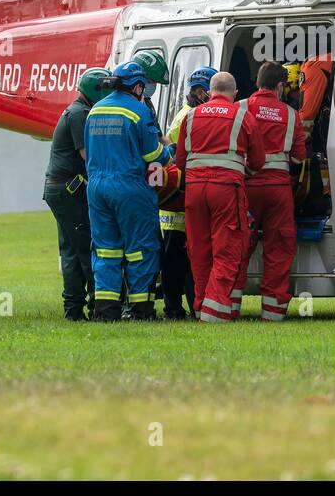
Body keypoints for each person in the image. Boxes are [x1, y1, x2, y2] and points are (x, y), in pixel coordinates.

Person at [83, 61, 174, 321]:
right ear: (136, 86)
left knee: (105, 249)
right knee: (141, 248)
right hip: (129, 186)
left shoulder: (95, 110)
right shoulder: (138, 110)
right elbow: (152, 153)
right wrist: (170, 152)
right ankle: (140, 309)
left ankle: (105, 310)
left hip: (97, 187)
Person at [173, 71, 264, 323]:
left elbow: (180, 160)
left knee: (199, 250)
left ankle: (201, 307)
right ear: (234, 93)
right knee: (227, 249)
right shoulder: (242, 116)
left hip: (193, 190)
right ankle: (214, 313)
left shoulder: (190, 116)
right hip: (226, 190)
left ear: (210, 91)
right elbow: (257, 161)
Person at [43, 67, 110, 321]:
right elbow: (88, 156)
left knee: (70, 250)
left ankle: (73, 310)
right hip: (69, 190)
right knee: (86, 247)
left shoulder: (75, 111)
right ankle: (98, 306)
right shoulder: (80, 114)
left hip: (59, 189)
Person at [243, 62, 307, 321]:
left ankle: (229, 305)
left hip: (245, 186)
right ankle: (273, 312)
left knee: (237, 246)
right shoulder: (291, 115)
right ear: (280, 86)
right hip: (278, 188)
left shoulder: (240, 108)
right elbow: (299, 158)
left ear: (258, 81)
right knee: (279, 247)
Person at [157, 66, 216, 319]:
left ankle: (186, 306)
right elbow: (175, 156)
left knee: (183, 260)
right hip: (178, 206)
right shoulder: (188, 117)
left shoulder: (189, 113)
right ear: (201, 91)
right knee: (177, 262)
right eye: (210, 92)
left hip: (182, 201)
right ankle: (174, 308)